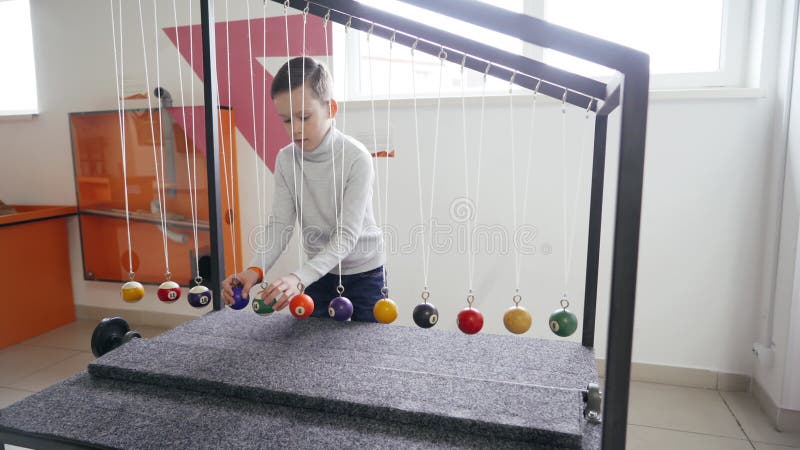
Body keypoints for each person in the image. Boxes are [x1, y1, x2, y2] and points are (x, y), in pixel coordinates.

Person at [221, 56, 386, 322]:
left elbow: (346, 236)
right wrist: (253, 270)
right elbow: (280, 226)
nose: (295, 128)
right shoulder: (286, 159)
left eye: (304, 117)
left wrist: (299, 277)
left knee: (364, 358)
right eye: (286, 120)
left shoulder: (357, 158)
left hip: (364, 276)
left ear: (331, 108)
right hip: (317, 275)